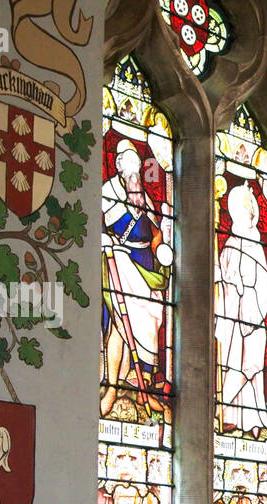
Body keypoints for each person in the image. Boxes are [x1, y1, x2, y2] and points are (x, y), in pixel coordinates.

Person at [102, 138, 172, 420]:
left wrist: (162, 247)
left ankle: (143, 389)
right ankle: (111, 388)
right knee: (121, 324)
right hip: (117, 260)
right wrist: (103, 238)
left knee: (151, 320)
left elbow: (154, 234)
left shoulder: (144, 198)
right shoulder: (107, 192)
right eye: (128, 166)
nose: (134, 174)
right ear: (119, 167)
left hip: (145, 266)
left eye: (137, 168)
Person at [215, 183, 267, 437]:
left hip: (252, 319)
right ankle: (227, 415)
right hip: (232, 321)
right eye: (242, 211)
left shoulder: (257, 248)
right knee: (233, 366)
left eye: (250, 211)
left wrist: (246, 297)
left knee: (252, 370)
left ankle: (253, 418)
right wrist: (229, 285)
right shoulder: (228, 247)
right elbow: (221, 289)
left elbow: (264, 292)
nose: (247, 216)